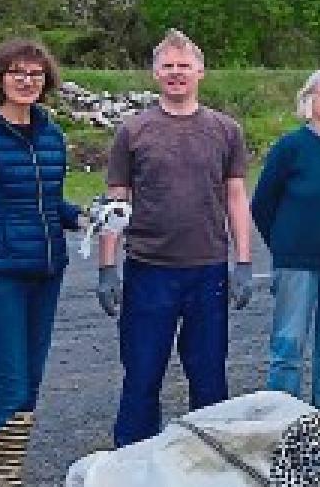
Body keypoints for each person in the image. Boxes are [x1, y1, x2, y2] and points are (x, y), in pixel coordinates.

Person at [97, 29, 255, 448]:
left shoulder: (225, 130)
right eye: (167, 66)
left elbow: (236, 197)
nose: (176, 73)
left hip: (207, 270)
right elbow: (116, 201)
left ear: (200, 71)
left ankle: (211, 458)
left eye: (183, 66)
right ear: (154, 73)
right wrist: (107, 267)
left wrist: (243, 261)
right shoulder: (132, 132)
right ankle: (131, 459)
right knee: (142, 374)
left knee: (208, 376)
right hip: (149, 270)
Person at [0, 40, 81, 487]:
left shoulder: (49, 133)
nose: (27, 80)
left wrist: (86, 217)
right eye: (17, 73)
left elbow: (48, 202)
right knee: (9, 389)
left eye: (35, 73)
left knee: (28, 389)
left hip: (45, 270)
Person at [251, 67, 320, 409]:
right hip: (296, 260)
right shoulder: (290, 147)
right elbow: (262, 204)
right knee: (288, 343)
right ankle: (281, 416)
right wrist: (284, 242)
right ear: (310, 99)